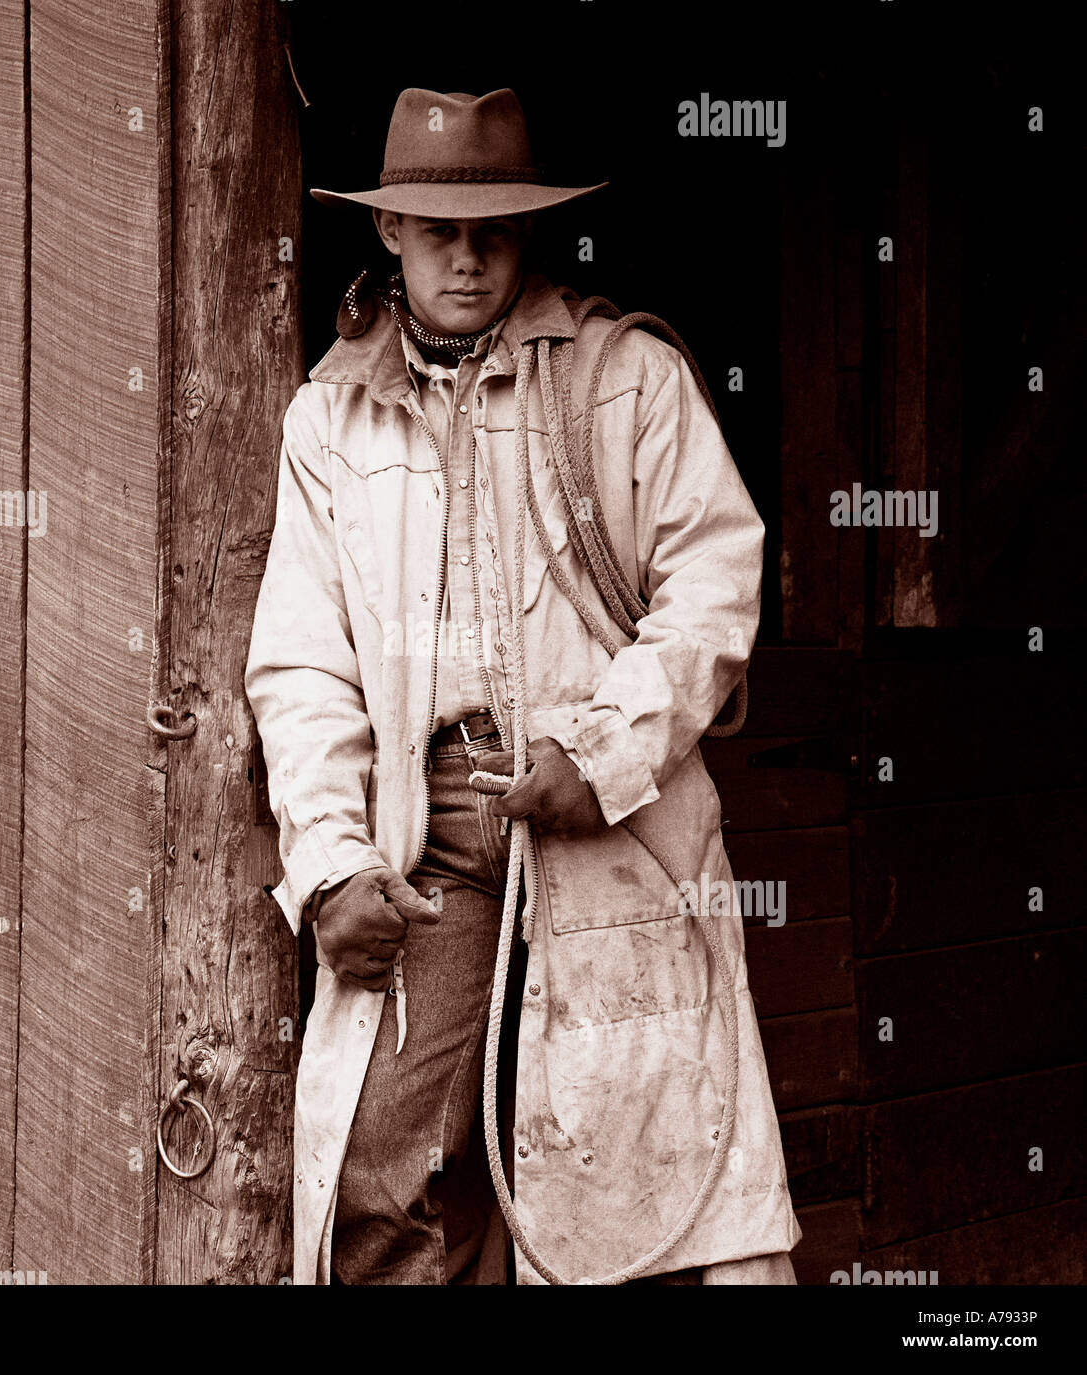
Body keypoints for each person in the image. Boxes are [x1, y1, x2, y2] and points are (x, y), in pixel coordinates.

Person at [245, 86, 801, 1285]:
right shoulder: (328, 417)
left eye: (493, 227)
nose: (466, 253)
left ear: (530, 230)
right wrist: (333, 862)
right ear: (387, 231)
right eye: (437, 229)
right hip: (431, 841)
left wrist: (599, 755)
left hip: (606, 828)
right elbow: (303, 663)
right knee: (385, 1178)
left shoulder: (624, 379)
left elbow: (713, 588)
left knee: (631, 1182)